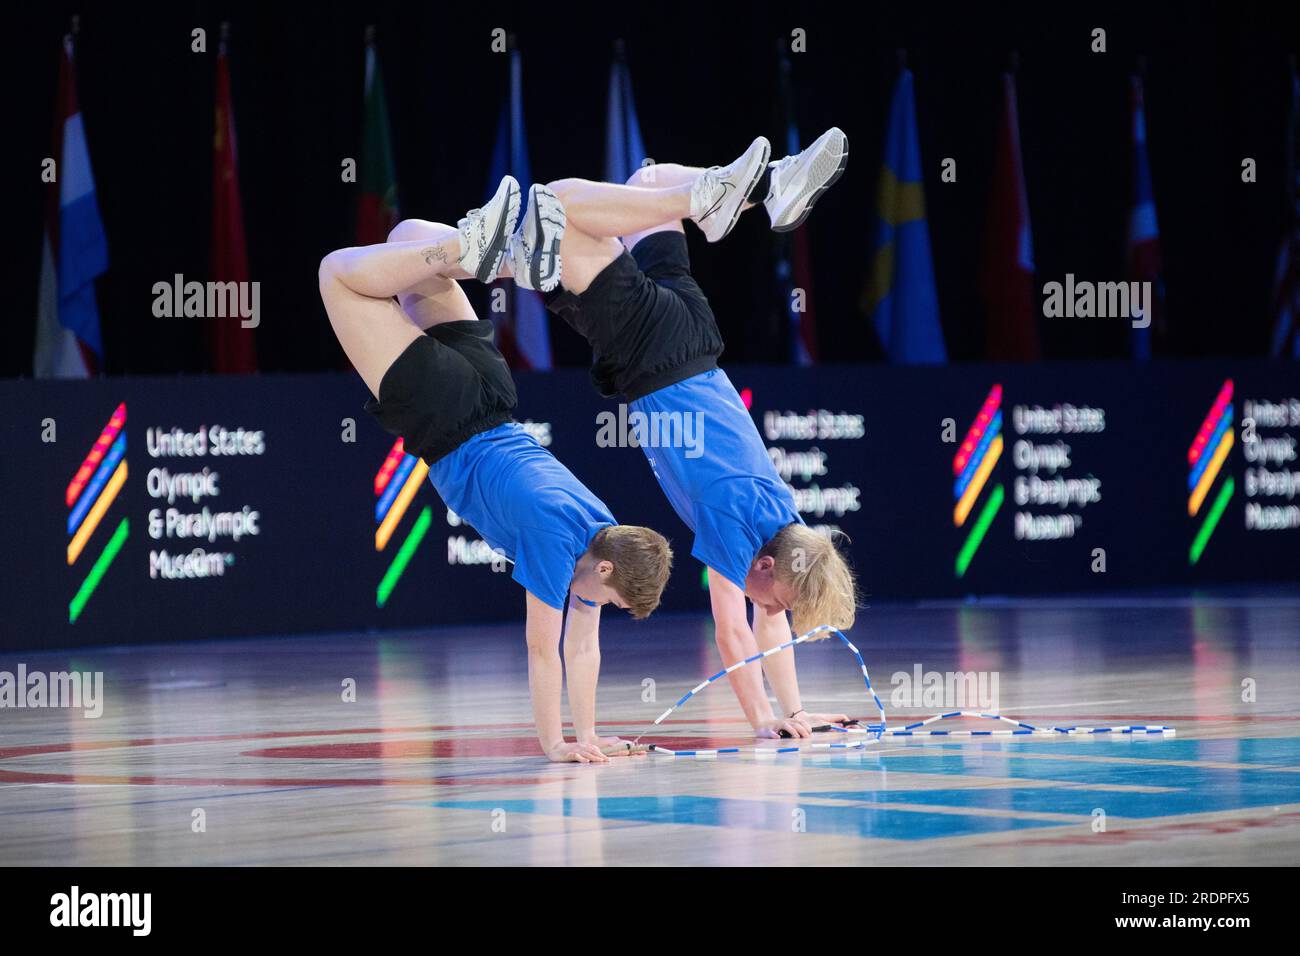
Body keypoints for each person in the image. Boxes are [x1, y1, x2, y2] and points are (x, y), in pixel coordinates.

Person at [318, 176, 673, 762]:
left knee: (406, 238)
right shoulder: (556, 543)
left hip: (493, 393)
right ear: (606, 566)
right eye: (607, 599)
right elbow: (544, 651)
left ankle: (496, 256)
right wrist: (555, 745)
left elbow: (583, 650)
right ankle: (474, 250)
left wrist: (590, 739)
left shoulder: (599, 526)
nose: (596, 608)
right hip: (445, 415)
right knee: (337, 274)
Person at [535, 129, 858, 739]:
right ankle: (726, 192)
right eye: (775, 595)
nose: (772, 609)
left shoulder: (783, 519)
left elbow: (768, 620)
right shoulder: (736, 523)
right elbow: (736, 630)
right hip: (652, 355)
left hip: (697, 339)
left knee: (650, 182)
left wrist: (794, 712)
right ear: (763, 565)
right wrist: (763, 721)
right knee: (554, 206)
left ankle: (760, 186)